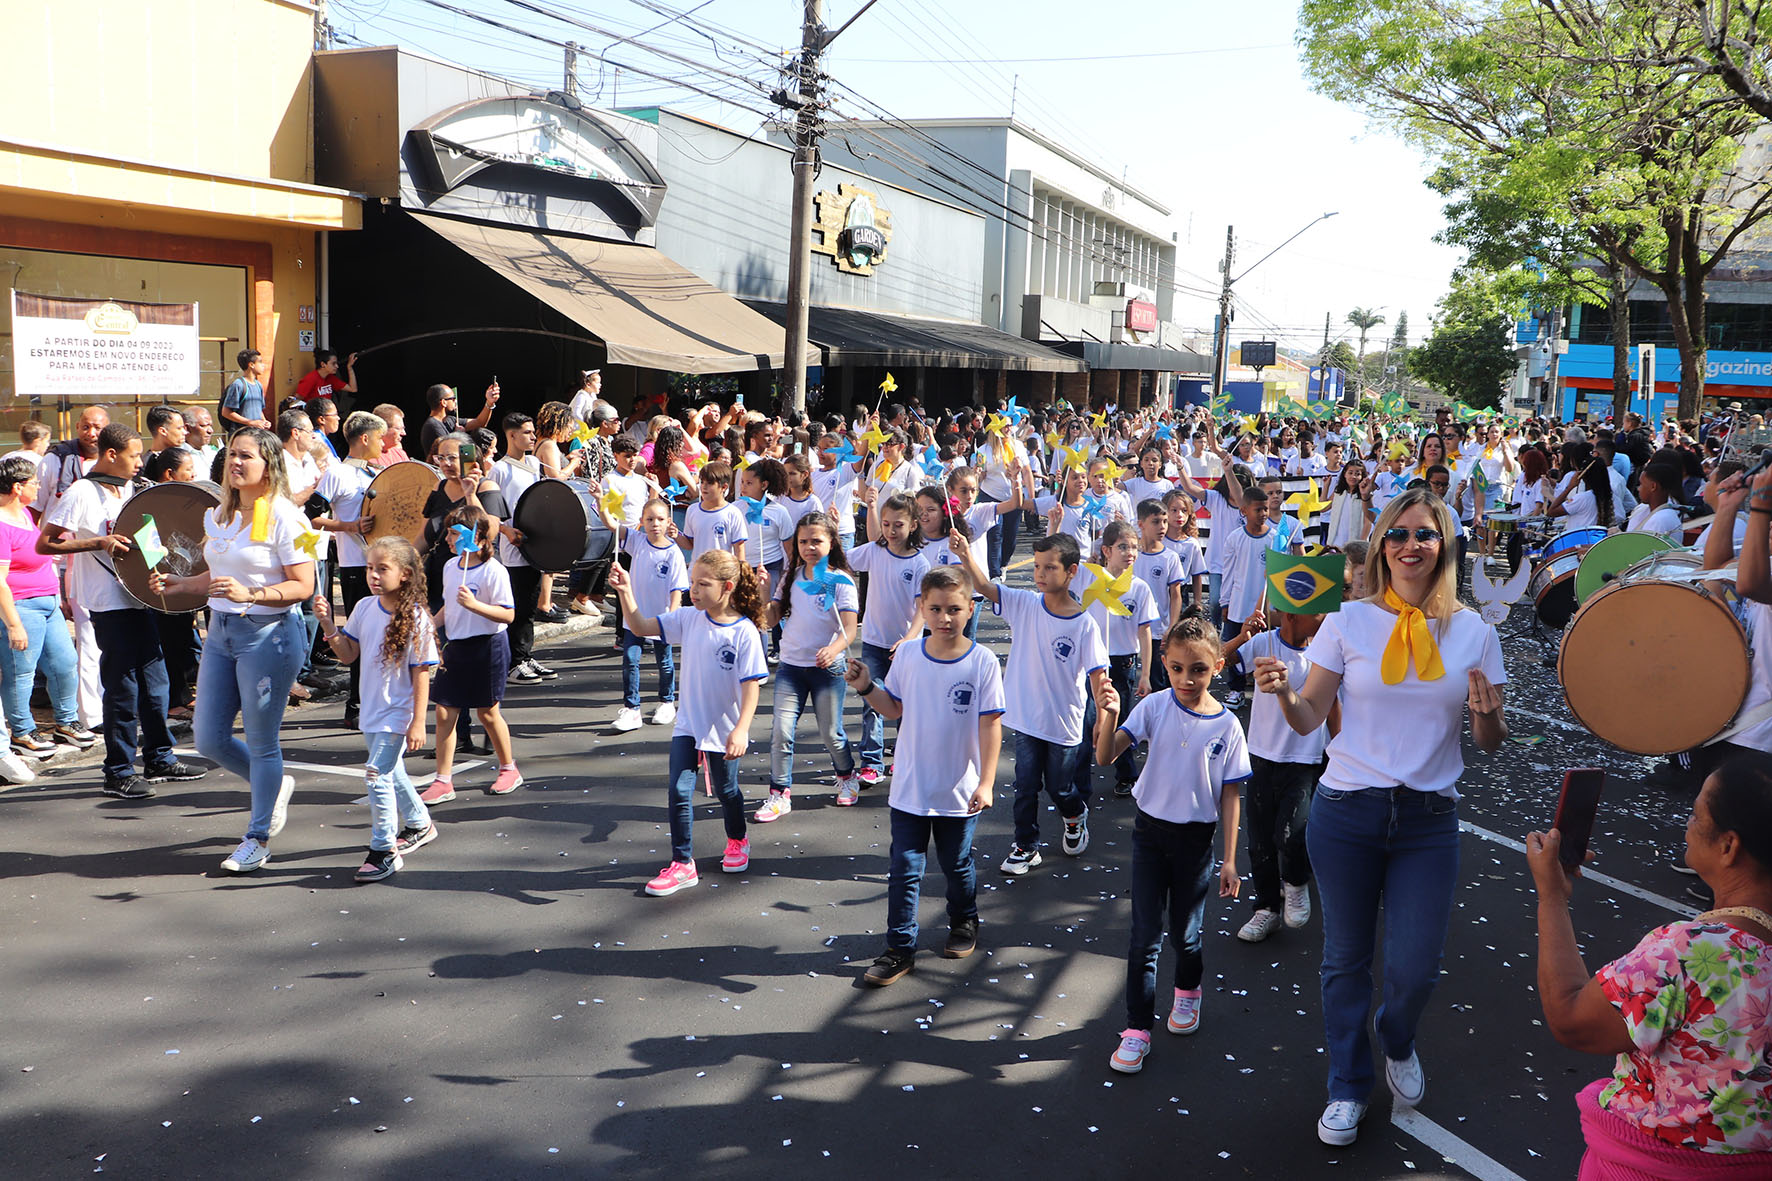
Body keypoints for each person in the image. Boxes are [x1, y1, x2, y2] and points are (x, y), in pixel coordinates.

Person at [1254, 486, 1507, 1146]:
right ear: (1381, 544)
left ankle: (1397, 1037)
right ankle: (1346, 1082)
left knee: (1415, 968)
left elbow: (1489, 740)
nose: (1409, 545)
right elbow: (1310, 716)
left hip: (1428, 820)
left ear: (1444, 544)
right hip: (1346, 811)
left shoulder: (1476, 632)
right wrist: (1283, 694)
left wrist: (1487, 716)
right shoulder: (1346, 622)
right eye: (1397, 533)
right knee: (1345, 960)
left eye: (1424, 533)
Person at [1527, 756, 1772, 1173]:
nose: (1687, 826)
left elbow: (1570, 1018)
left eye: (1695, 815)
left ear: (1728, 846)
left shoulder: (1690, 952)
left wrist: (1551, 895)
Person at [150, 428, 313, 873]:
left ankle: (257, 838)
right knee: (209, 739)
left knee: (262, 743)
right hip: (220, 632)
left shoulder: (287, 517)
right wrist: (182, 584)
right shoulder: (220, 513)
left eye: (246, 456)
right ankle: (272, 788)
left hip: (268, 635)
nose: (236, 462)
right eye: (232, 455)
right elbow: (218, 574)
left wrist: (252, 594)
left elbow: (304, 585)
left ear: (269, 465)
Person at [1096, 612, 1248, 1072]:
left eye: (1198, 669)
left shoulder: (1228, 727)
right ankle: (1137, 1029)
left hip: (1195, 843)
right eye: (1177, 668)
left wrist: (1229, 860)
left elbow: (1230, 795)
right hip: (1149, 835)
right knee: (1144, 936)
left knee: (1185, 933)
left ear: (1217, 666)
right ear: (1164, 662)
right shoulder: (1154, 707)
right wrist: (1109, 715)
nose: (1186, 679)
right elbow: (1105, 756)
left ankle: (1187, 992)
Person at [848, 565, 1004, 987]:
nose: (944, 618)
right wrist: (867, 687)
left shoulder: (983, 661)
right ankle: (899, 948)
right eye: (935, 609)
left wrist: (986, 781)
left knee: (956, 863)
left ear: (971, 609)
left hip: (958, 790)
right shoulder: (909, 655)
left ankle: (964, 918)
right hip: (910, 788)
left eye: (954, 609)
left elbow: (990, 725)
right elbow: (893, 707)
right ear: (921, 607)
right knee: (904, 869)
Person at [39, 424, 205, 800]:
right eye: (133, 455)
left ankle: (159, 757)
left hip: (142, 597)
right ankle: (117, 771)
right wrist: (98, 542)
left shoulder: (130, 489)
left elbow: (146, 540)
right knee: (123, 688)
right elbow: (45, 543)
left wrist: (169, 565)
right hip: (108, 602)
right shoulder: (82, 492)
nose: (139, 462)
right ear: (112, 454)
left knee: (156, 684)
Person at [608, 550, 768, 898]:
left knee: (727, 791)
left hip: (724, 731)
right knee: (679, 791)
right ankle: (683, 864)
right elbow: (640, 626)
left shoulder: (744, 632)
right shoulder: (687, 618)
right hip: (688, 727)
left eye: (702, 584)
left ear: (727, 587)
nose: (693, 590)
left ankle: (738, 839)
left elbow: (751, 687)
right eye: (692, 582)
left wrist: (741, 729)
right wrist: (625, 591)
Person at [953, 531, 1105, 874]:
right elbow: (985, 587)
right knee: (1025, 786)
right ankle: (1025, 846)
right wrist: (965, 555)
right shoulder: (1024, 604)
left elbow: (1098, 675)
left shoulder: (1085, 625)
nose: (1040, 574)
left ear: (1071, 571)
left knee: (1060, 788)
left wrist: (1103, 718)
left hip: (1063, 722)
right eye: (1037, 566)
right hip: (1025, 718)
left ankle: (1074, 815)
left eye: (1050, 567)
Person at [315, 537, 439, 883]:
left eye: (382, 569)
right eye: (370, 567)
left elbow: (422, 674)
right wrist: (328, 625)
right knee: (392, 771)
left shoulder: (416, 618)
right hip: (371, 709)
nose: (373, 575)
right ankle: (420, 823)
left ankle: (383, 850)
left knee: (376, 774)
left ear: (405, 574)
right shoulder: (364, 607)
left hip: (397, 713)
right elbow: (348, 655)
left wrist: (418, 722)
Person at [1224, 603, 1332, 943]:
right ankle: (1266, 909)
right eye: (1319, 613)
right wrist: (1242, 636)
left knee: (1293, 833)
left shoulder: (1326, 653)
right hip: (1261, 756)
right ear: (1292, 615)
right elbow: (1221, 660)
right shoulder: (1264, 643)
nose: (1326, 618)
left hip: (1305, 759)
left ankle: (1296, 882)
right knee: (1260, 841)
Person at [759, 512, 859, 818]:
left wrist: (833, 649)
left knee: (831, 733)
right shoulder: (791, 576)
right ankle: (779, 793)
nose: (809, 547)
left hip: (828, 670)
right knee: (781, 731)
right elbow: (770, 619)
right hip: (791, 667)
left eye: (816, 541)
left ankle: (847, 776)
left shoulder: (840, 580)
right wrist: (764, 590)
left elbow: (849, 629)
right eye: (803, 542)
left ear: (831, 543)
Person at [425, 505, 523, 800]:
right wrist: (430, 624)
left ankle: (509, 769)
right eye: (448, 533)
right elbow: (449, 606)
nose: (448, 539)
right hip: (456, 646)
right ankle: (443, 781)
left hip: (488, 646)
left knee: (488, 713)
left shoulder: (494, 571)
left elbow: (508, 615)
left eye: (454, 533)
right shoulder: (450, 567)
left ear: (477, 537)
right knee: (444, 711)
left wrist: (475, 605)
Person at [0, 456, 92, 756]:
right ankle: (22, 732)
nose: (39, 487)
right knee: (21, 672)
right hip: (21, 606)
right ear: (17, 487)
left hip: (48, 601)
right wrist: (14, 624)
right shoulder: (1, 525)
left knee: (64, 664)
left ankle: (66, 722)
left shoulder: (24, 514)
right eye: (34, 483)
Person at [848, 491, 931, 787]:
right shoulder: (874, 551)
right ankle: (871, 762)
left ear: (913, 525)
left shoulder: (920, 563)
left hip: (906, 647)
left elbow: (922, 609)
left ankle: (904, 755)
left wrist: (908, 639)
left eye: (898, 525)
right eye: (886, 524)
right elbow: (842, 562)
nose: (891, 531)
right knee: (872, 700)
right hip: (873, 642)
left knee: (905, 704)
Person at [314, 411, 386, 727]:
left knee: (383, 637)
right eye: (380, 437)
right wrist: (349, 526)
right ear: (365, 438)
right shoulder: (337, 473)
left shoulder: (375, 473)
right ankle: (355, 707)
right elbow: (311, 516)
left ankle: (377, 703)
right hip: (356, 566)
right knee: (360, 638)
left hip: (383, 566)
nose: (384, 443)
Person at [486, 412, 554, 684]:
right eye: (527, 432)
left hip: (535, 544)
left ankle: (525, 656)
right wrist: (506, 531)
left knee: (530, 604)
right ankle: (513, 663)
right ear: (511, 435)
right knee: (518, 604)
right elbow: (491, 510)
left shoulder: (535, 463)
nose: (533, 437)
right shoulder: (499, 469)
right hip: (513, 549)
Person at [606, 496, 685, 734]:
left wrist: (672, 615)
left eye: (660, 519)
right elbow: (612, 525)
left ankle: (667, 702)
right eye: (649, 519)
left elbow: (677, 589)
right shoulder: (637, 541)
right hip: (634, 617)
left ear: (668, 521)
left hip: (660, 620)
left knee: (665, 662)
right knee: (630, 660)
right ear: (642, 521)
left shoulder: (674, 553)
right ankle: (632, 708)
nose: (655, 524)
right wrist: (601, 502)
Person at [417, 381, 501, 461]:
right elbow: (449, 452)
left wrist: (489, 402)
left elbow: (480, 422)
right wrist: (459, 435)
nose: (455, 401)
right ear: (443, 402)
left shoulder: (450, 420)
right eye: (453, 399)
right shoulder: (432, 426)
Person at [221, 350, 271, 434]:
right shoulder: (238, 385)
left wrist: (264, 421)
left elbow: (259, 410)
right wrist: (250, 422)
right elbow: (226, 412)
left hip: (256, 434)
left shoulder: (258, 385)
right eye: (260, 362)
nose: (263, 365)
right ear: (251, 365)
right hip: (242, 434)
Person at [293, 349, 358, 406]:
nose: (337, 366)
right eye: (333, 363)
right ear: (323, 364)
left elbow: (353, 389)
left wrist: (349, 367)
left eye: (336, 363)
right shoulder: (311, 378)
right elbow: (296, 400)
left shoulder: (330, 378)